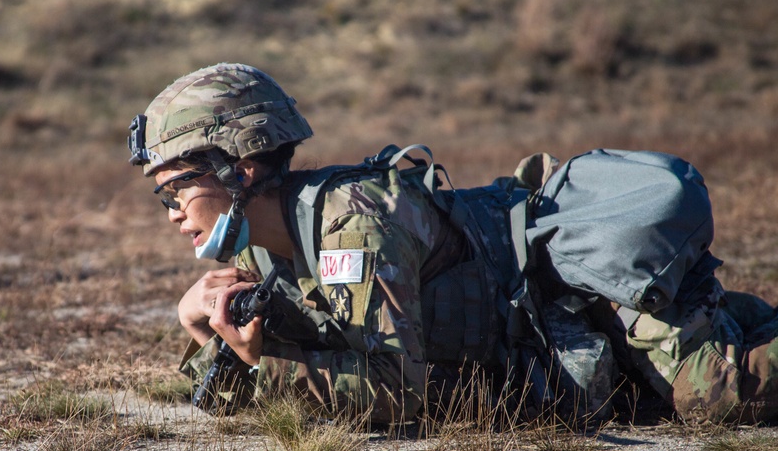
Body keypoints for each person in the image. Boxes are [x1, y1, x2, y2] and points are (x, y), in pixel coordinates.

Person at [128, 62, 778, 426]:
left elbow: (395, 390)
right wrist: (206, 335)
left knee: (719, 393)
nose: (170, 214)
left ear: (238, 170)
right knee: (657, 391)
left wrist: (262, 359)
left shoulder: (349, 223)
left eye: (173, 191)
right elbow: (218, 399)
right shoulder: (261, 249)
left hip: (578, 286)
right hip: (541, 342)